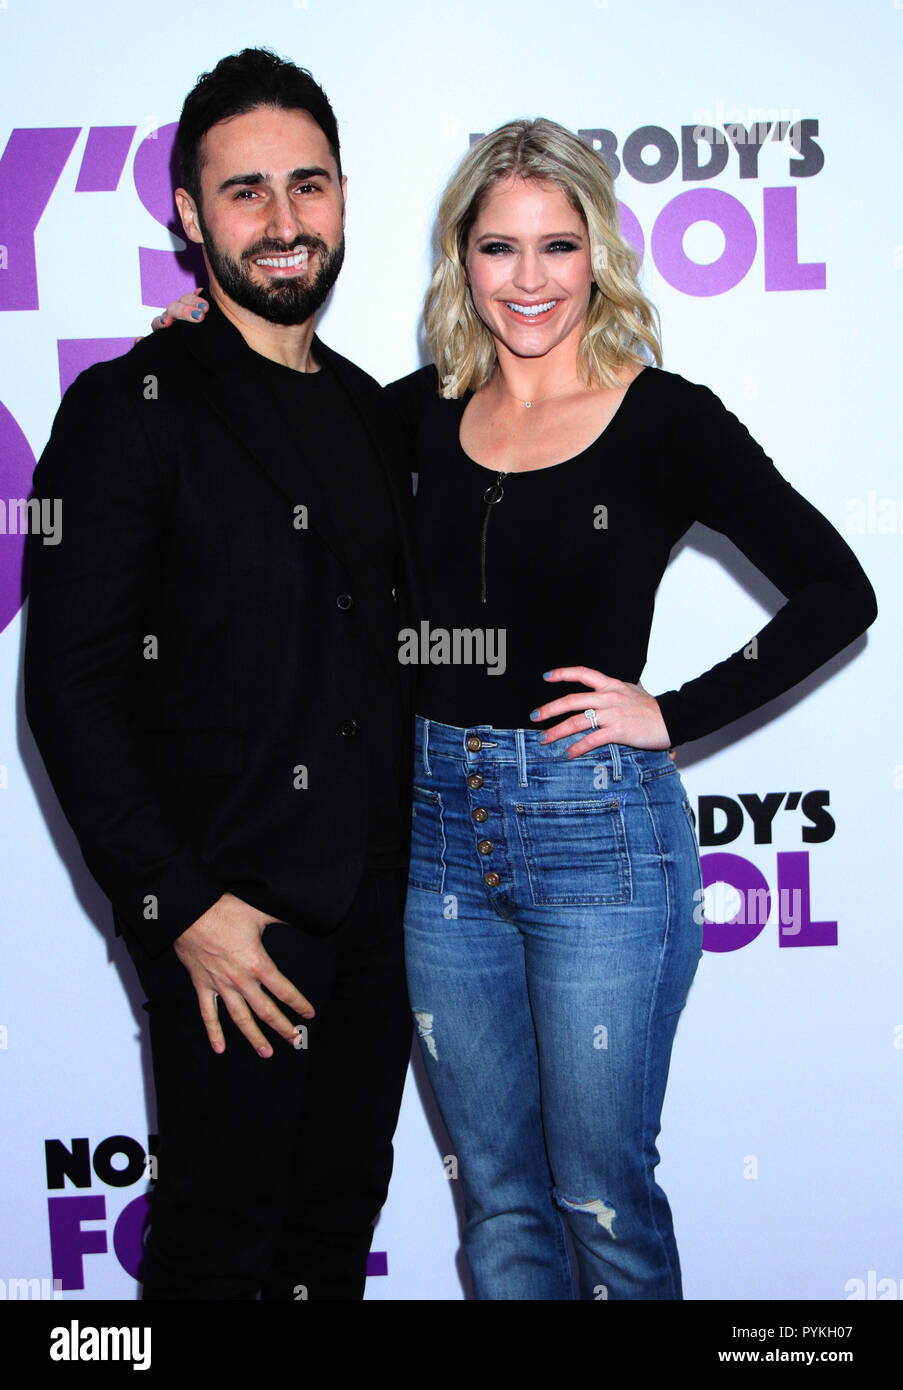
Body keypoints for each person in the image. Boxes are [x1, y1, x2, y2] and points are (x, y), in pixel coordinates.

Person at [157, 117, 878, 1300]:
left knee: (602, 1194)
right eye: (499, 250)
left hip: (598, 834)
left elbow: (838, 591)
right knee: (496, 1198)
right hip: (438, 840)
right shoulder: (411, 417)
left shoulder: (665, 418)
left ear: (598, 252)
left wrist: (675, 713)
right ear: (462, 259)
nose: (529, 281)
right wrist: (200, 340)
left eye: (557, 246)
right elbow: (270, 420)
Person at [24, 48, 420, 1300]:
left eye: (308, 185)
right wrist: (181, 907)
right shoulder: (125, 406)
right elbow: (68, 690)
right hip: (229, 927)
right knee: (217, 1245)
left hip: (379, 923)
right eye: (245, 192)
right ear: (189, 218)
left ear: (345, 198)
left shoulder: (375, 413)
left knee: (333, 1232)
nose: (285, 219)